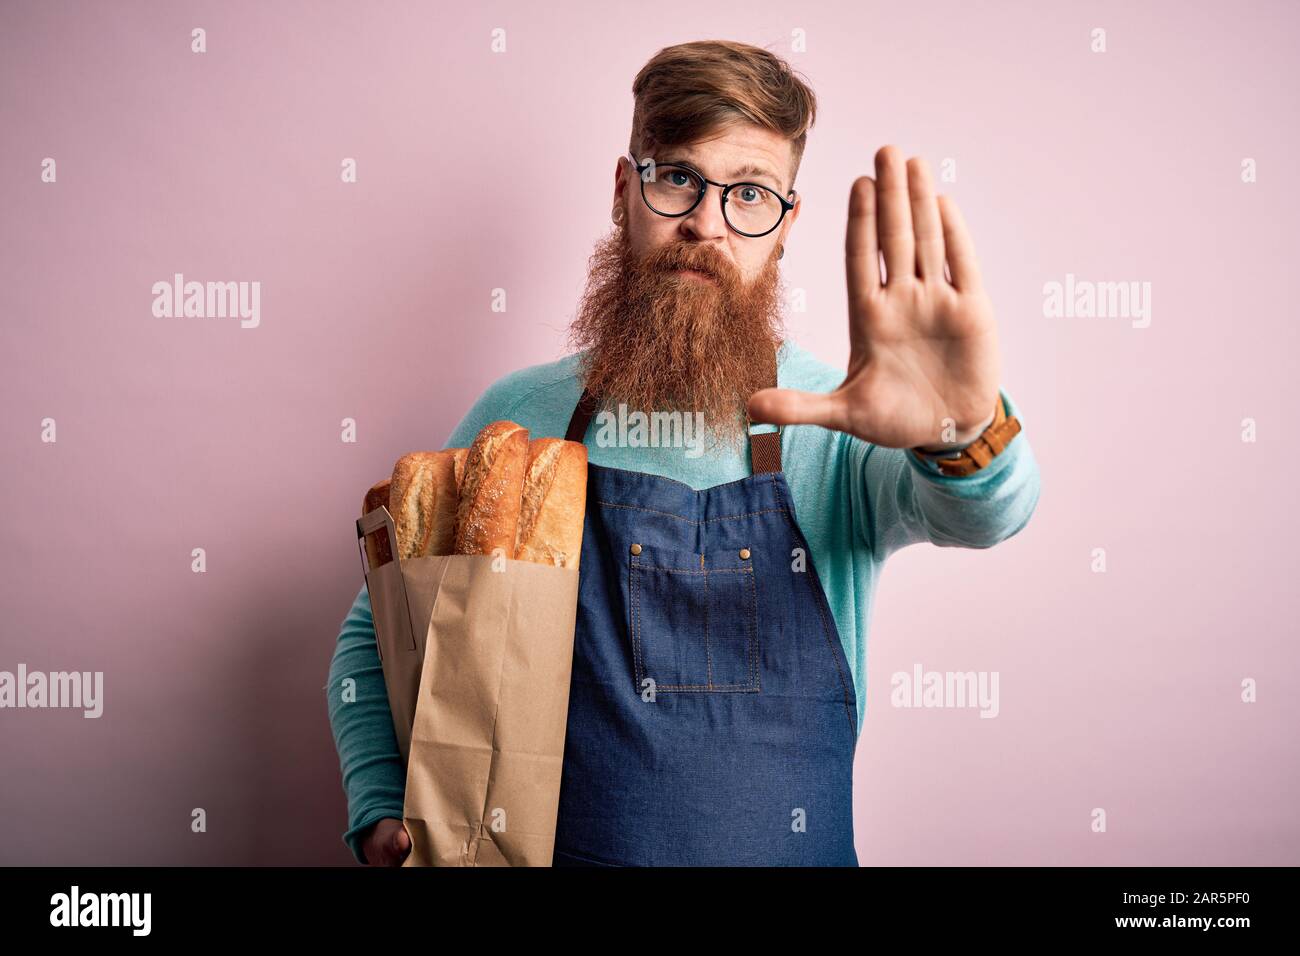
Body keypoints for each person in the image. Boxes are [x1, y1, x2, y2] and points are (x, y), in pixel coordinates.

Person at [327, 39, 1040, 866]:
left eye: (749, 194)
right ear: (625, 190)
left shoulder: (844, 422)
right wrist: (380, 801)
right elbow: (377, 632)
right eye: (678, 179)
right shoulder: (520, 418)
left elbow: (989, 515)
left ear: (786, 227)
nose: (706, 223)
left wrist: (959, 428)